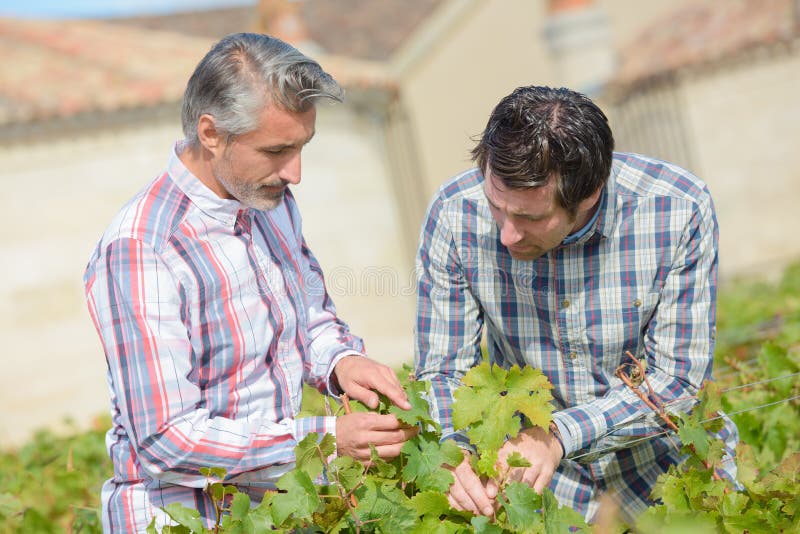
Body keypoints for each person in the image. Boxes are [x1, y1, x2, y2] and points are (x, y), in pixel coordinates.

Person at [84, 33, 416, 532]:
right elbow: (166, 441)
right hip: (181, 519)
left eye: (302, 147)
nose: (295, 173)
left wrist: (343, 362)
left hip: (275, 510)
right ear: (212, 133)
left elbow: (310, 318)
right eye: (277, 150)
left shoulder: (270, 204)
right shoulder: (143, 250)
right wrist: (327, 439)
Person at [414, 85, 738, 524]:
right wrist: (456, 454)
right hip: (541, 495)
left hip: (671, 476)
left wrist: (557, 435)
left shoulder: (676, 210)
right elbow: (444, 369)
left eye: (529, 218)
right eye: (496, 207)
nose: (507, 234)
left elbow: (677, 380)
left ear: (589, 195)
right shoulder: (454, 216)